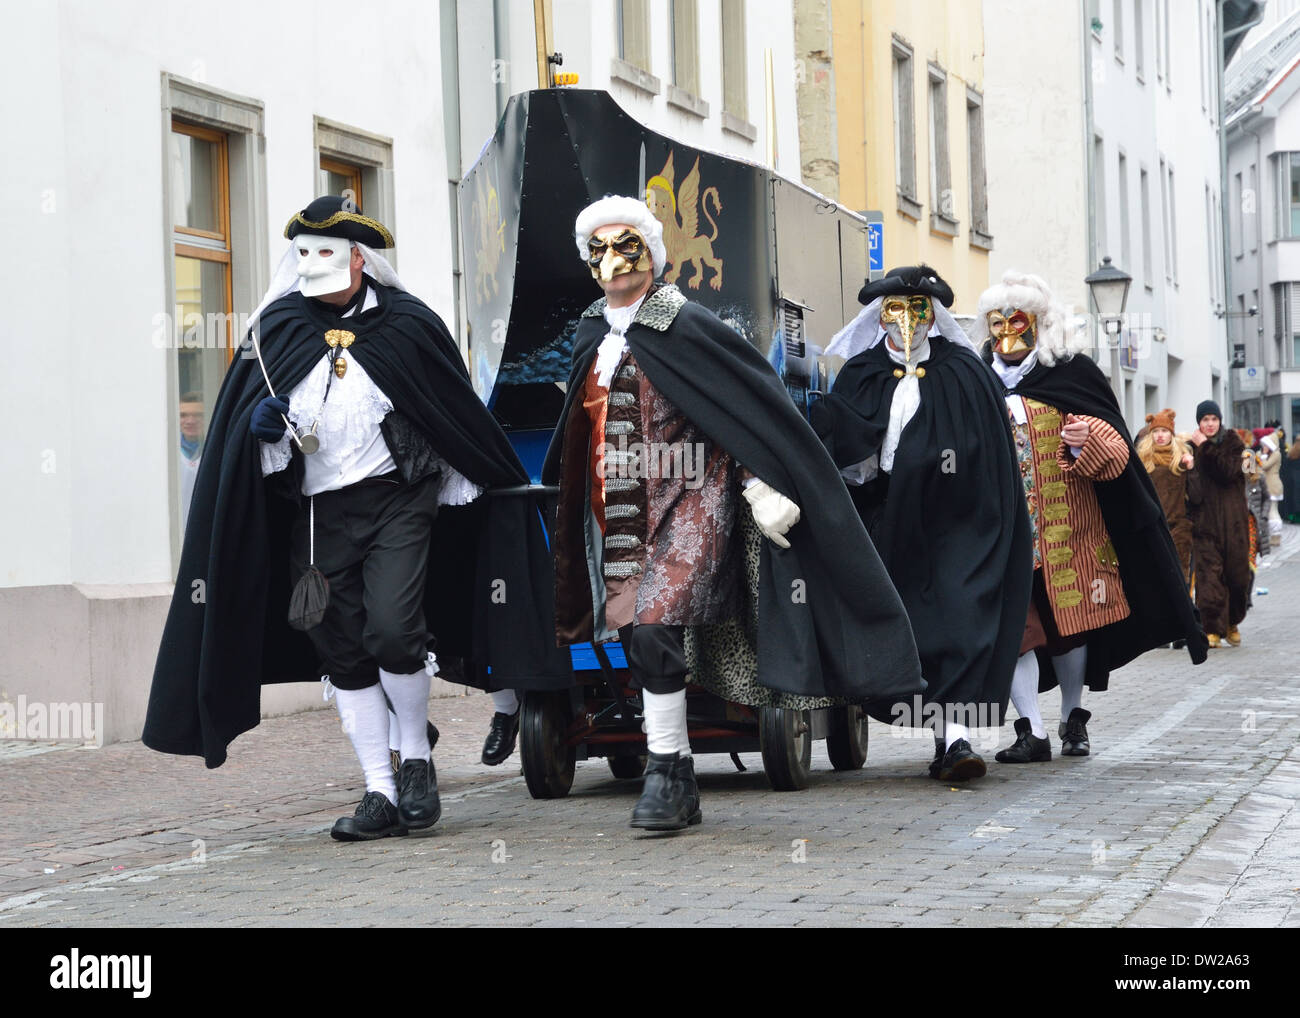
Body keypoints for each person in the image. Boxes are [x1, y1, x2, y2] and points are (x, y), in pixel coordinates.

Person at [144, 196, 568, 841]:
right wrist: (259, 434)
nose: (315, 267)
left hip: (398, 499)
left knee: (395, 630)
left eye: (329, 255)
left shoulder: (408, 324)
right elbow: (243, 431)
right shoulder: (275, 331)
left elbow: (447, 409)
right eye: (304, 255)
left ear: (359, 260)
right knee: (340, 648)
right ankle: (380, 786)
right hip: (315, 513)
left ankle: (418, 762)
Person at [544, 196, 922, 830]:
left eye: (626, 245)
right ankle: (680, 777)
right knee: (636, 632)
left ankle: (666, 770)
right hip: (617, 510)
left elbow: (747, 407)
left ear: (653, 252)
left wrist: (759, 480)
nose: (613, 261)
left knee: (656, 620)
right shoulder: (590, 334)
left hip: (692, 500)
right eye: (599, 251)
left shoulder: (686, 324)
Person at [970, 271, 1205, 764]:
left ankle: (1072, 717)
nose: (1008, 335)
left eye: (1019, 322)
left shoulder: (1073, 375)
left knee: (1068, 627)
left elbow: (1118, 455)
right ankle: (1030, 729)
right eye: (998, 324)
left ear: (1041, 325)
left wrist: (1087, 443)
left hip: (1069, 530)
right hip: (1001, 533)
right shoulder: (974, 384)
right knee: (1016, 629)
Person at [810, 265, 1033, 781]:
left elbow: (992, 455)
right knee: (912, 629)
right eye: (895, 309)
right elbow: (846, 447)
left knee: (957, 619)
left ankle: (956, 739)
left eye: (918, 308)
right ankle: (942, 734)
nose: (906, 321)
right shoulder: (861, 372)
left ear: (933, 316)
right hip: (888, 519)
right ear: (879, 316)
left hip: (958, 521)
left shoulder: (964, 371)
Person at [1188, 402, 1252, 647]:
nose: (1209, 424)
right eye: (1205, 419)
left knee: (1238, 577)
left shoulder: (1234, 443)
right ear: (1199, 423)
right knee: (1209, 579)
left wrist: (1204, 447)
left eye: (1213, 418)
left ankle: (1232, 621)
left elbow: (1226, 471)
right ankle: (1212, 627)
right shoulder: (1191, 447)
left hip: (1234, 523)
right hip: (1206, 524)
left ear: (1220, 420)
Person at [1136, 409, 1194, 587]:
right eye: (1156, 431)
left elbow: (1194, 494)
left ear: (1172, 434)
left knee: (1179, 582)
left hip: (1179, 528)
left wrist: (1192, 468)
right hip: (1152, 527)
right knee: (1154, 581)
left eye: (1165, 431)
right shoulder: (1143, 461)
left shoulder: (1181, 461)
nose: (1160, 436)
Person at [178, 391, 204, 525]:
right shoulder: (170, 453)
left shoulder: (216, 449)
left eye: (198, 415)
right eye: (183, 415)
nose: (190, 421)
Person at [1259, 430, 1284, 548]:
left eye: (1266, 445)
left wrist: (1263, 454)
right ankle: (1273, 536)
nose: (1264, 447)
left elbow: (1264, 466)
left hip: (1273, 485)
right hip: (1270, 485)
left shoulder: (1276, 454)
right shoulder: (1269, 455)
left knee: (1272, 511)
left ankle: (1276, 536)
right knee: (1270, 511)